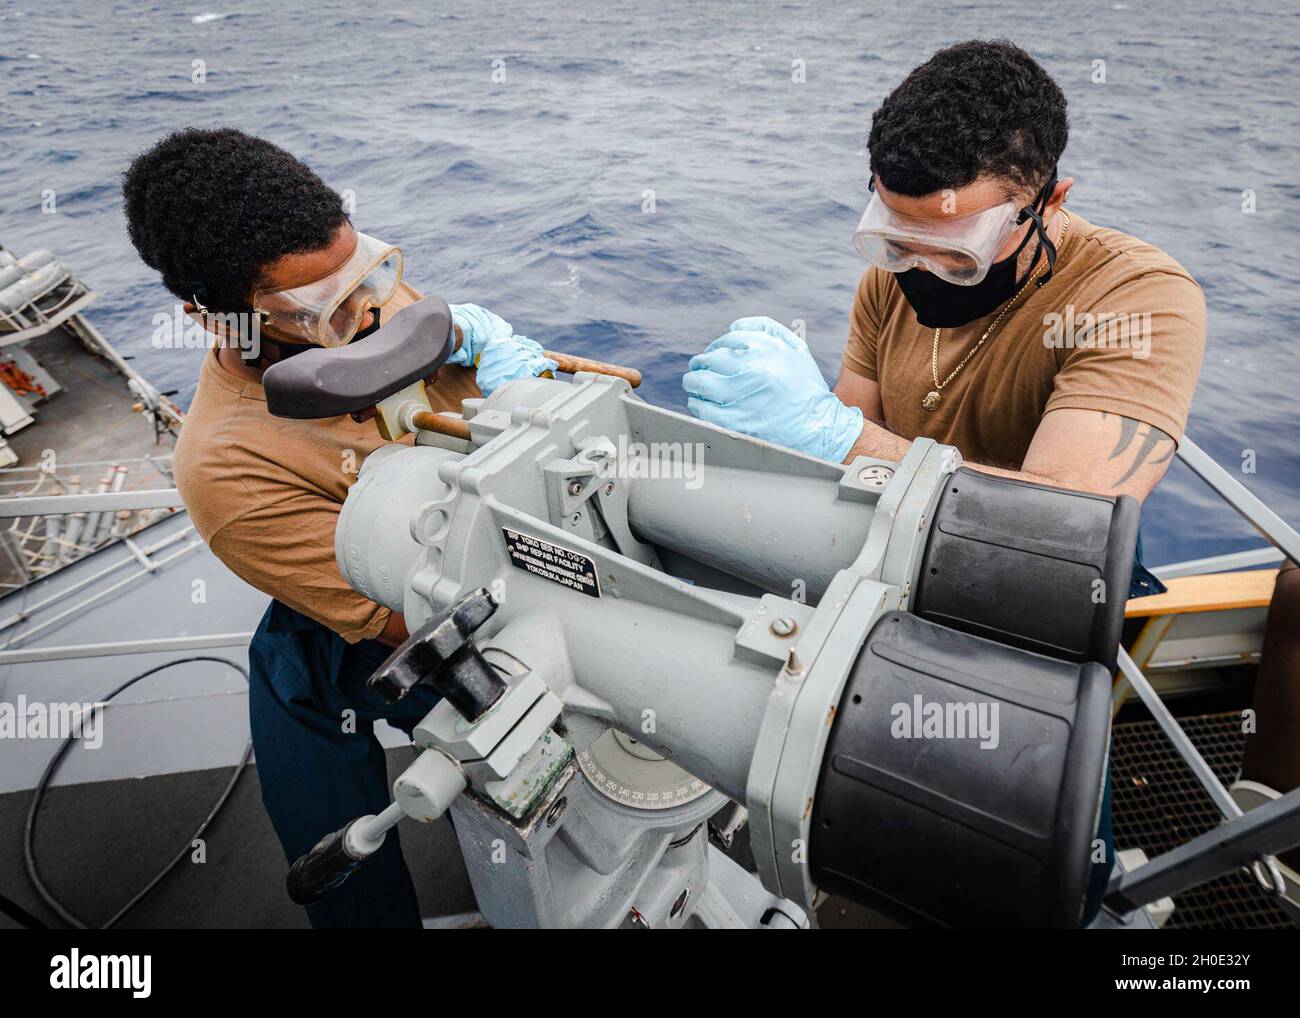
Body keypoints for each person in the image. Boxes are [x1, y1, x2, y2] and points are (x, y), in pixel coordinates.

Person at [682, 39, 1208, 924]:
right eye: (897, 242)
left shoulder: (1137, 296)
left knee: (1043, 841)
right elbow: (838, 459)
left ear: (1048, 204)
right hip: (903, 575)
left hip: (1040, 607)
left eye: (955, 254)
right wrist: (781, 435)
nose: (918, 271)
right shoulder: (886, 285)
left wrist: (836, 434)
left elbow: (1062, 522)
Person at [122, 127, 554, 927]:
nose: (369, 312)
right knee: (298, 680)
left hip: (515, 527)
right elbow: (412, 628)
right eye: (324, 309)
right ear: (216, 319)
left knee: (289, 672)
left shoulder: (366, 299)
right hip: (423, 603)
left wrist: (522, 376)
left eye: (367, 274)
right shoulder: (229, 469)